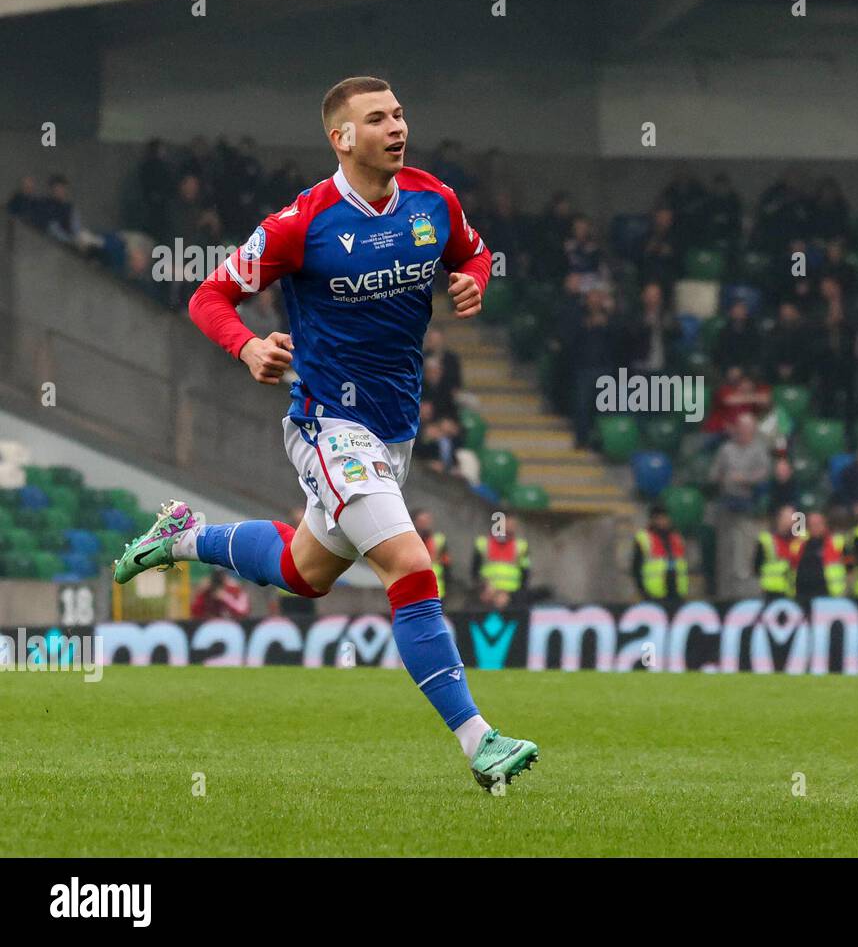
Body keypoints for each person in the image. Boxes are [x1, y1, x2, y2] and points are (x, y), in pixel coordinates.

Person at [113, 76, 537, 791]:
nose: (396, 126)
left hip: (394, 430)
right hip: (328, 425)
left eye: (400, 113)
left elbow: (472, 252)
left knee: (305, 574)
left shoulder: (434, 200)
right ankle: (479, 741)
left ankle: (181, 537)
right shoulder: (299, 225)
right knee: (411, 566)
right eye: (377, 119)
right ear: (341, 138)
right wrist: (247, 346)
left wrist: (474, 281)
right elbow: (208, 295)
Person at [632, 505, 689, 601]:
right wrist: (643, 591)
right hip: (654, 593)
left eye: (665, 518)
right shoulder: (644, 538)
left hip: (677, 591)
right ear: (652, 520)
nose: (662, 522)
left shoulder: (677, 537)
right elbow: (636, 567)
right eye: (658, 518)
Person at [473, 515, 531, 601]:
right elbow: (475, 570)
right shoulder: (482, 543)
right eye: (508, 524)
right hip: (487, 595)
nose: (511, 528)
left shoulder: (521, 546)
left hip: (512, 595)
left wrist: (518, 593)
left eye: (513, 525)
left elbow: (525, 573)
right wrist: (483, 587)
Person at [793, 512, 847, 599]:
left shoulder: (837, 542)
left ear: (825, 524)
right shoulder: (799, 544)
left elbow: (851, 569)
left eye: (819, 523)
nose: (816, 527)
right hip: (803, 596)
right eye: (812, 524)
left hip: (831, 596)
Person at [754, 505, 804, 598]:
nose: (790, 521)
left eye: (793, 518)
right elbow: (756, 567)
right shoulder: (766, 540)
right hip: (771, 592)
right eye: (786, 517)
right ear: (779, 519)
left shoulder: (801, 541)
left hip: (795, 592)